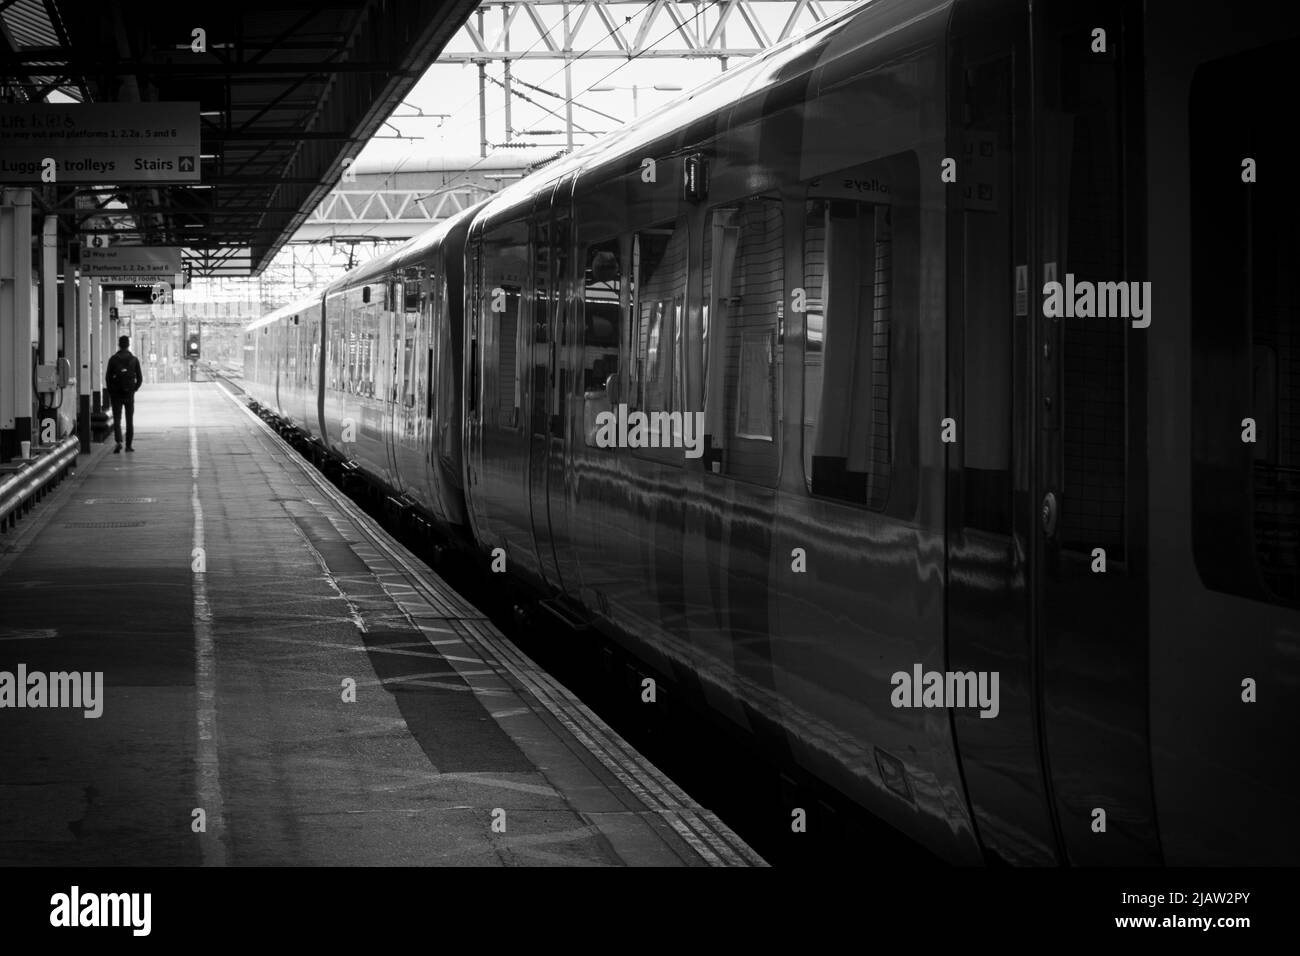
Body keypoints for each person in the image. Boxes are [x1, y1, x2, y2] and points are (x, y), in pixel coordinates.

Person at [105, 335, 143, 453]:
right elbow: (140, 379)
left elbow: (108, 378)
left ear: (119, 344)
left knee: (117, 419)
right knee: (129, 419)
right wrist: (133, 389)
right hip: (129, 395)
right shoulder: (134, 360)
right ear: (128, 345)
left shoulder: (113, 359)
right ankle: (129, 446)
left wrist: (112, 391)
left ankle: (118, 442)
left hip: (116, 395)